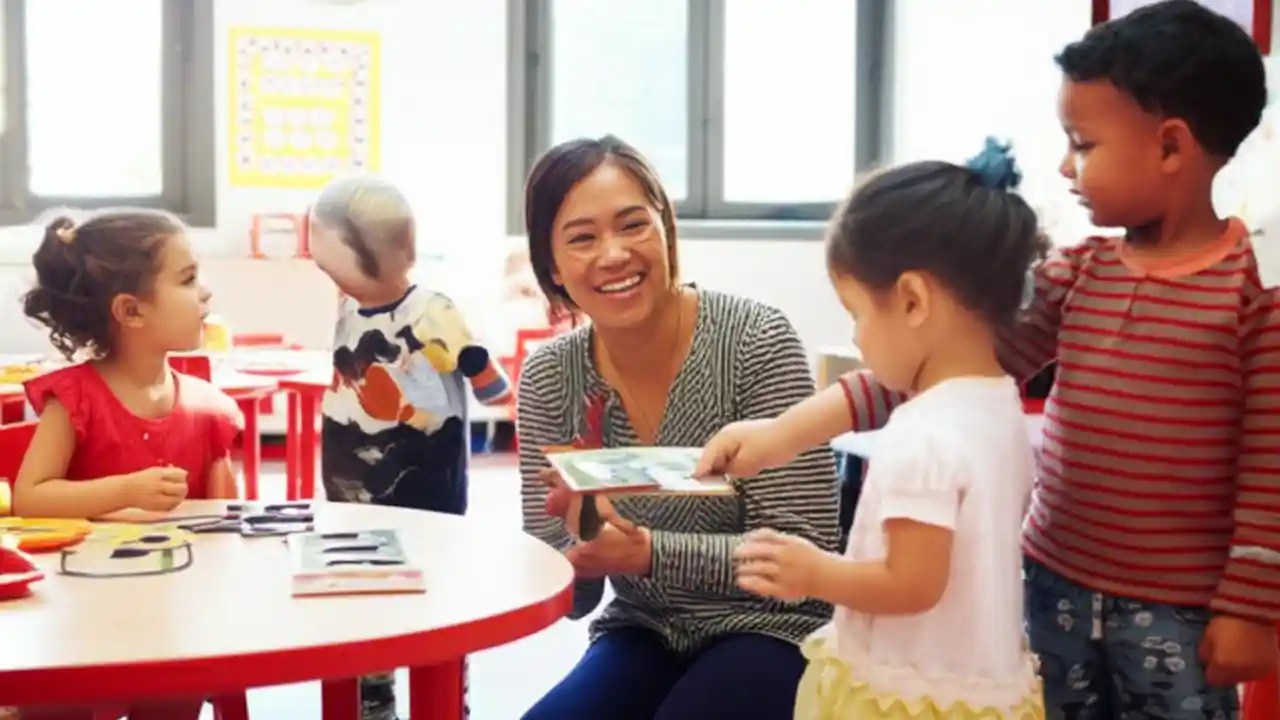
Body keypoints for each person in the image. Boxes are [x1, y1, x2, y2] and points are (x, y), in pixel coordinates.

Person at [717, 2, 1280, 716]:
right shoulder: (1081, 274)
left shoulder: (1252, 294)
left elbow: (1270, 465)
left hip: (1179, 607)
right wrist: (778, 436)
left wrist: (1251, 608)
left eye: (1084, 143)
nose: (1064, 164)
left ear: (1170, 148)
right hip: (1053, 582)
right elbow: (934, 368)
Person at [699, 139, 1049, 718]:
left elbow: (911, 583)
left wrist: (815, 572)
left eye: (856, 313)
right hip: (976, 685)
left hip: (909, 694)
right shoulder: (997, 403)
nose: (857, 337)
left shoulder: (925, 435)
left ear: (912, 300)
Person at [516, 135, 839, 720]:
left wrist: (645, 554)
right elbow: (571, 598)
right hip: (645, 629)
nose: (613, 254)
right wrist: (580, 547)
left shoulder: (754, 340)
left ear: (666, 228)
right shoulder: (549, 376)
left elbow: (807, 559)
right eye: (582, 238)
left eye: (633, 225)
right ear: (553, 268)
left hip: (776, 629)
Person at [14, 210, 242, 720]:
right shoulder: (74, 398)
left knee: (177, 691)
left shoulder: (209, 408)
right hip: (73, 621)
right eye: (188, 279)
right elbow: (31, 494)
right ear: (131, 310)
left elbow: (225, 527)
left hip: (171, 615)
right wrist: (125, 490)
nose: (206, 294)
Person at [308, 174, 510, 720]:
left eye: (332, 263)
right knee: (363, 593)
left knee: (432, 594)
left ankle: (445, 697)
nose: (327, 275)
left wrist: (489, 382)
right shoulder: (350, 309)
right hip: (350, 483)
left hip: (421, 482)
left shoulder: (429, 311)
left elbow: (483, 373)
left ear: (402, 252)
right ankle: (375, 697)